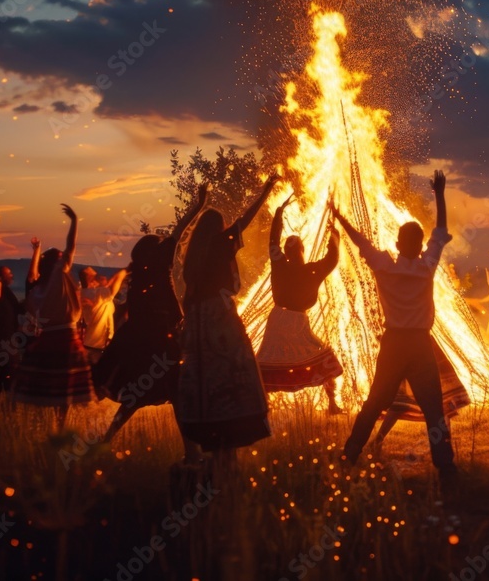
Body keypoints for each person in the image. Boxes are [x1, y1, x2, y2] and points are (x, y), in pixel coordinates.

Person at [333, 170, 457, 480]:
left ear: (399, 243)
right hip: (419, 345)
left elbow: (359, 240)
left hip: (393, 344)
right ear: (418, 246)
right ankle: (445, 466)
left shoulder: (384, 266)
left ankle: (350, 453)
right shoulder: (427, 266)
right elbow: (440, 231)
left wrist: (338, 216)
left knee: (375, 402)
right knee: (433, 409)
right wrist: (439, 194)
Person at [94, 184, 208, 456]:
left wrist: (199, 204)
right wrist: (199, 204)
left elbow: (177, 234)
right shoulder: (159, 267)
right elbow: (180, 232)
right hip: (159, 344)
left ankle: (109, 438)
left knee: (145, 396)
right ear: (152, 252)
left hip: (151, 343)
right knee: (167, 394)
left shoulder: (142, 277)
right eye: (159, 243)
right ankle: (190, 452)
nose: (164, 244)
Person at [174, 175, 279, 467]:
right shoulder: (222, 242)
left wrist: (199, 205)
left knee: (206, 372)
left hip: (196, 320)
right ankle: (232, 435)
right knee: (238, 365)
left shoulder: (192, 255)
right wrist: (266, 191)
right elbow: (246, 219)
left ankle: (211, 437)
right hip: (218, 317)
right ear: (218, 228)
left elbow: (180, 235)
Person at [256, 197, 345, 413]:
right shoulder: (311, 271)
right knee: (323, 357)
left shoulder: (280, 265)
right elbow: (332, 259)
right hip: (296, 322)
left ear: (287, 252)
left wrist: (278, 214)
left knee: (268, 363)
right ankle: (332, 404)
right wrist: (334, 235)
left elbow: (273, 243)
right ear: (302, 250)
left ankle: (261, 404)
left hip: (277, 319)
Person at [13, 204, 97, 430]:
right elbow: (71, 248)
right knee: (67, 386)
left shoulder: (36, 289)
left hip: (47, 339)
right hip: (68, 337)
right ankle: (60, 425)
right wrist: (75, 221)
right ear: (58, 263)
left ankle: (49, 425)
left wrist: (35, 252)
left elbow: (31, 275)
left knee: (50, 385)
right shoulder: (60, 277)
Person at [79, 265, 127, 365]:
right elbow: (113, 288)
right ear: (89, 278)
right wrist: (124, 271)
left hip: (90, 343)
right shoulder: (97, 294)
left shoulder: (87, 293)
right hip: (95, 346)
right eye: (95, 276)